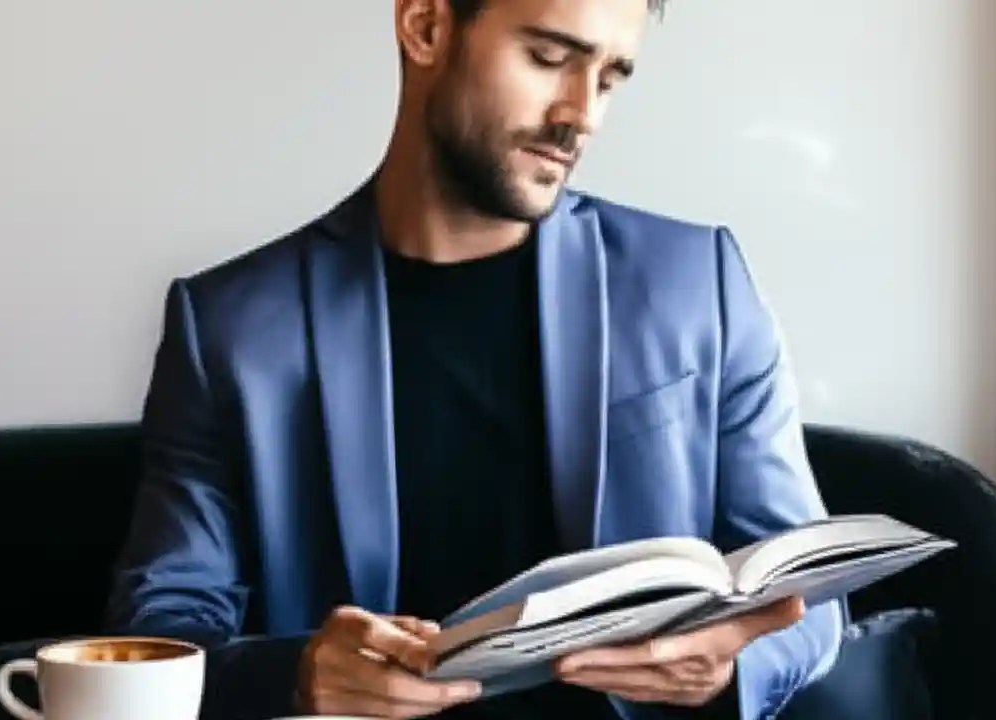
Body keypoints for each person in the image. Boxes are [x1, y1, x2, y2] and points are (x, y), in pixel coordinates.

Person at [103, 0, 843, 717]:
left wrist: (726, 666)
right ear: (425, 26)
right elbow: (158, 631)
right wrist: (295, 675)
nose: (581, 114)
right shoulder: (231, 328)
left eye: (611, 77)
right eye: (549, 58)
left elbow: (807, 596)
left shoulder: (698, 284)